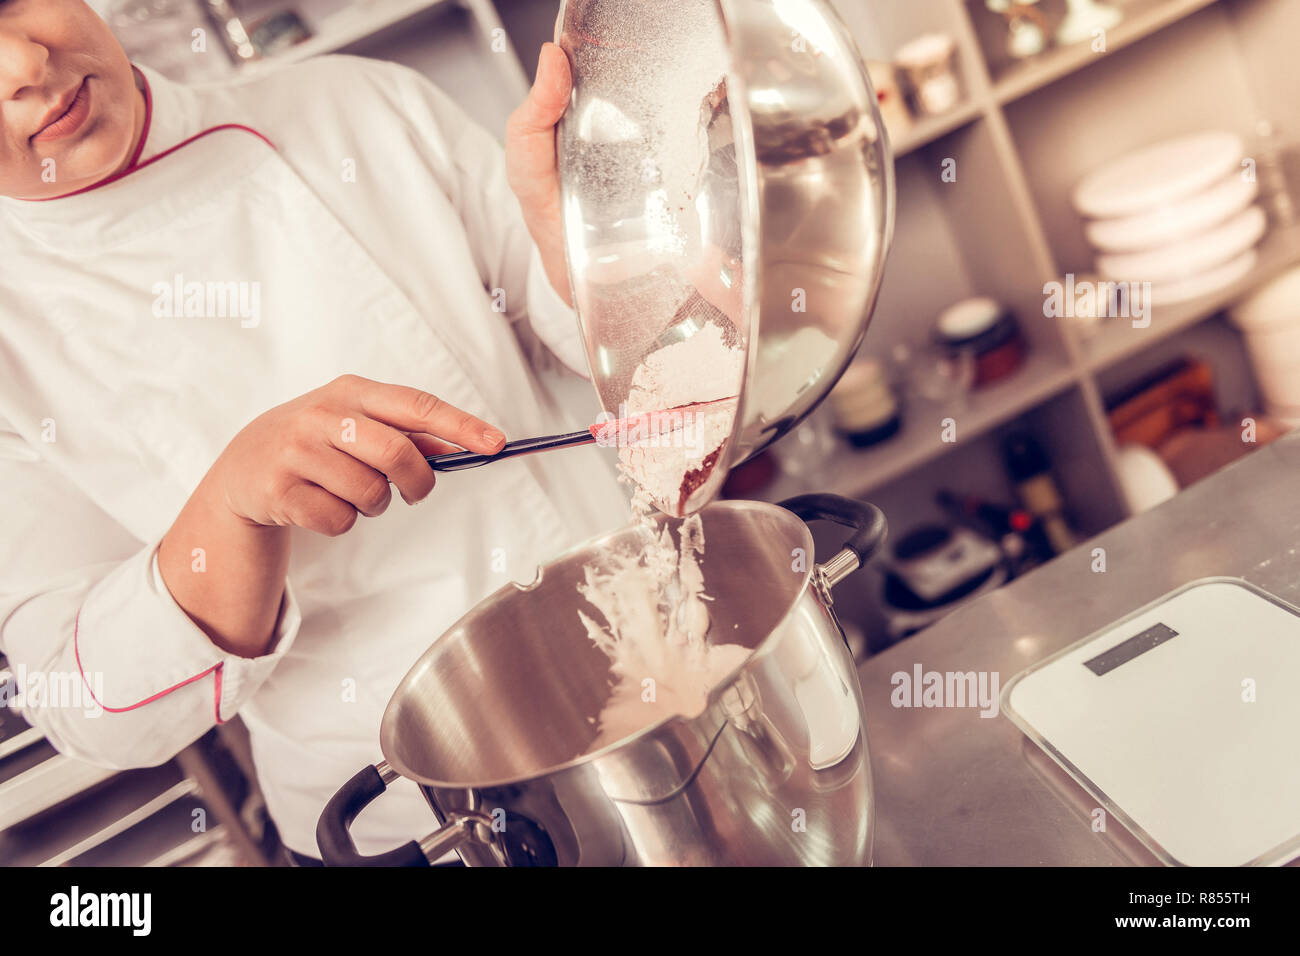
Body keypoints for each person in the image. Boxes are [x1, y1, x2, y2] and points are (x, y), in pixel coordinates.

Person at [0, 0, 629, 862]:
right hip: (419, 821)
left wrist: (584, 247)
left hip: (647, 673)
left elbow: (624, 359)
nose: (21, 65)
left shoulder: (355, 107)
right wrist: (228, 514)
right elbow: (83, 698)